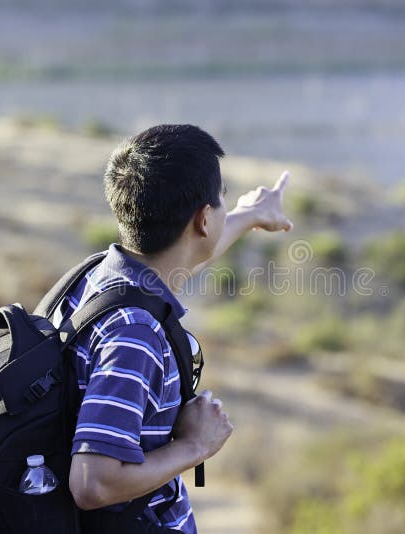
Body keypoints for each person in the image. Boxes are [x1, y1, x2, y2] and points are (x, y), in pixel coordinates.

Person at [50, 124, 293, 532]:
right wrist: (196, 446)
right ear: (202, 220)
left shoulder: (103, 276)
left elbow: (189, 256)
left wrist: (250, 214)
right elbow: (92, 483)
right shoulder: (135, 333)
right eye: (221, 202)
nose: (222, 210)